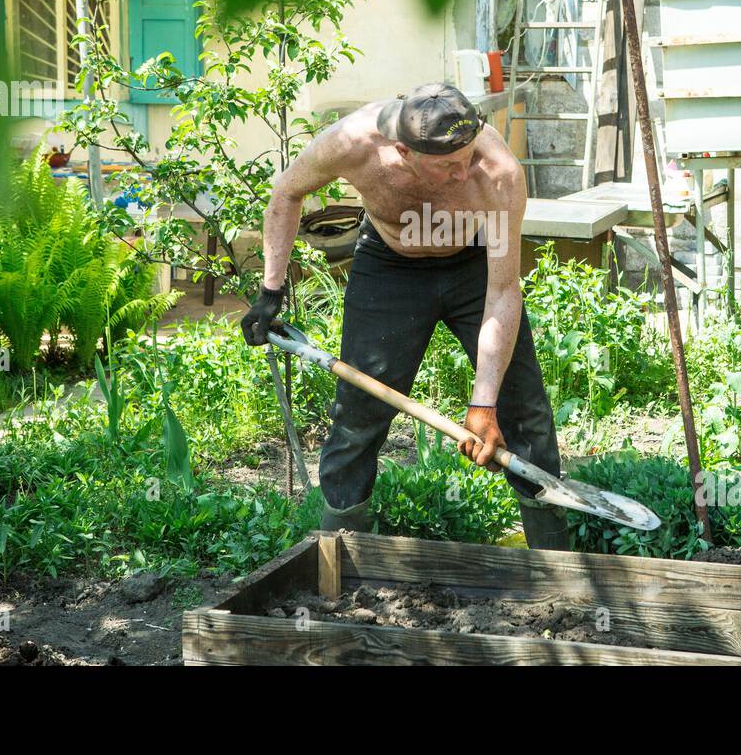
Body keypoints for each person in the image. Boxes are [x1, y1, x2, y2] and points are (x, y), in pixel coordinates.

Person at [241, 82, 569, 549]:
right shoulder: (352, 143)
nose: (463, 173)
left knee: (524, 410)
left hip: (473, 266)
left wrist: (482, 405)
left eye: (468, 155)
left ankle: (552, 555)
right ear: (403, 151)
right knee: (358, 413)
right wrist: (271, 289)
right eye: (447, 166)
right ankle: (337, 552)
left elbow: (502, 292)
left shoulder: (496, 172)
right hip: (388, 268)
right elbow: (288, 191)